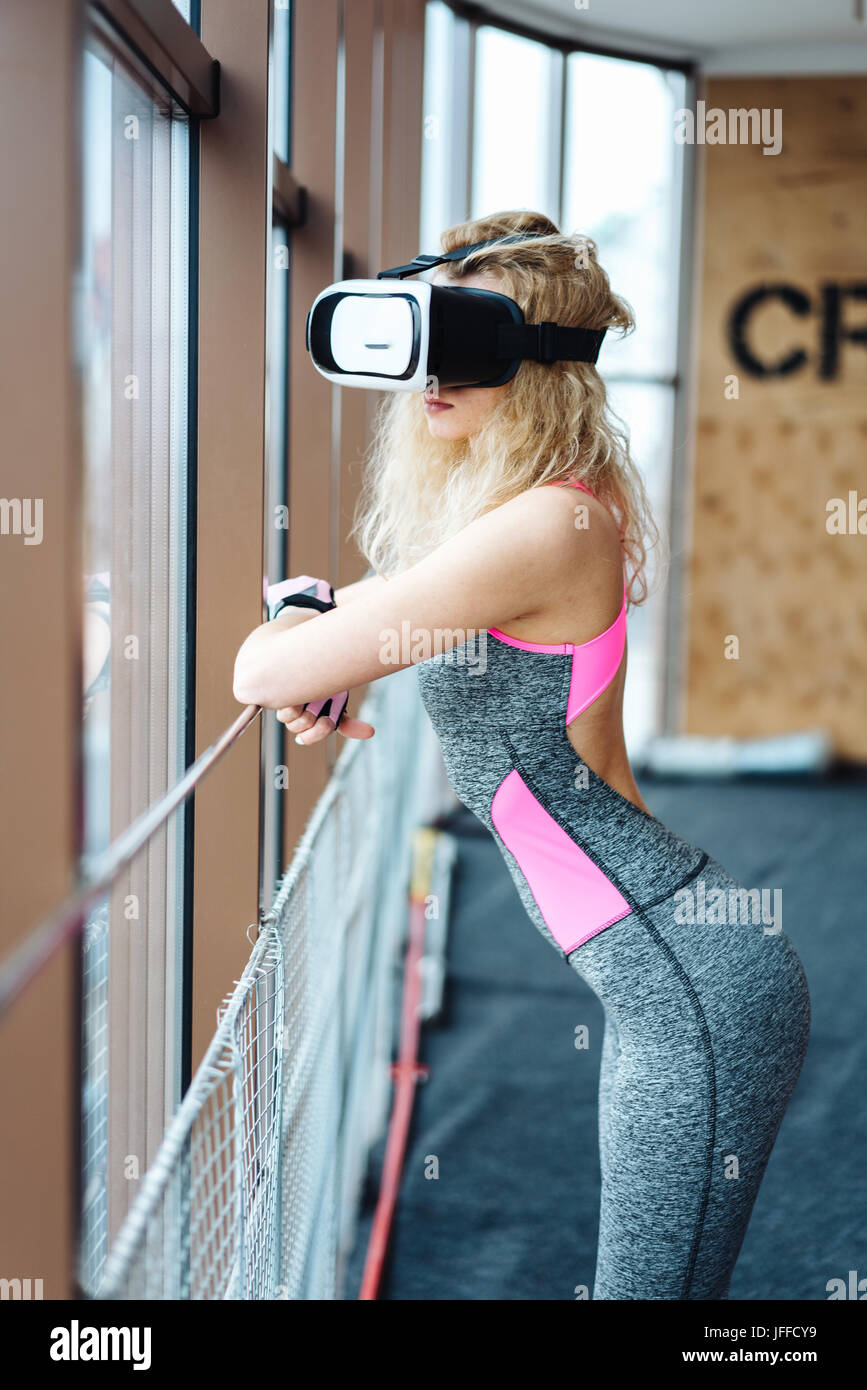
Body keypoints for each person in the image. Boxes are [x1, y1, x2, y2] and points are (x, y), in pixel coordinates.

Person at [233, 210, 811, 1300]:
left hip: (687, 986)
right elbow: (301, 643)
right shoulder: (518, 520)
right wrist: (324, 637)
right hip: (661, 974)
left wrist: (314, 636)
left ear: (540, 365)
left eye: (470, 341)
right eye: (424, 338)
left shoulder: (543, 528)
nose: (432, 376)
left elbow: (264, 670)